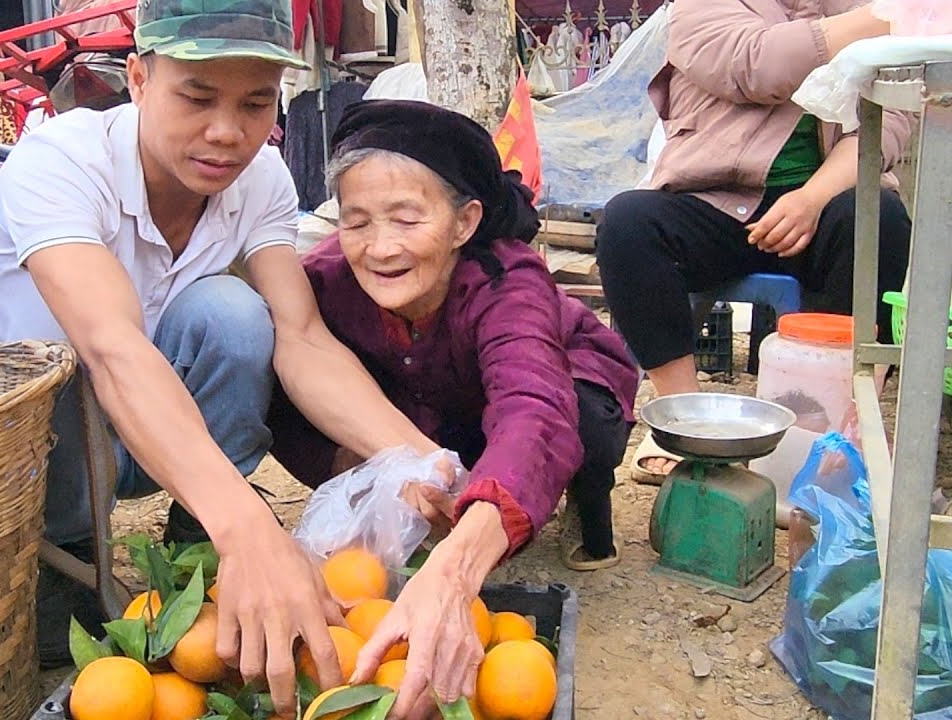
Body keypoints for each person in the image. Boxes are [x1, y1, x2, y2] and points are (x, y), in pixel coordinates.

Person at [0, 0, 447, 712]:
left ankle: (198, 534)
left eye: (255, 103)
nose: (226, 133)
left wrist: (421, 461)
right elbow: (111, 346)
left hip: (161, 434)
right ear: (138, 79)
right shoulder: (59, 162)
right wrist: (250, 526)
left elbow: (302, 338)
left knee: (234, 314)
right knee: (59, 368)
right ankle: (67, 557)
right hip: (41, 448)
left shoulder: (262, 179)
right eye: (196, 97)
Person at [267, 99, 639, 719]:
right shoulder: (327, 280)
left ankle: (578, 504)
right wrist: (370, 476)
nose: (379, 247)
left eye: (407, 219)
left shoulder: (506, 282)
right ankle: (431, 508)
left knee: (577, 421)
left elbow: (533, 408)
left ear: (465, 221)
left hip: (548, 390)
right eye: (356, 221)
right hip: (426, 420)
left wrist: (458, 567)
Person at [596, 0, 915, 480]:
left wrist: (812, 197)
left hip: (824, 201)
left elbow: (890, 123)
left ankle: (832, 424)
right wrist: (888, 22)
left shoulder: (860, 5)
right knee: (628, 222)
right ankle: (685, 420)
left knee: (880, 218)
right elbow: (758, 65)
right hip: (715, 198)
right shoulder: (699, 8)